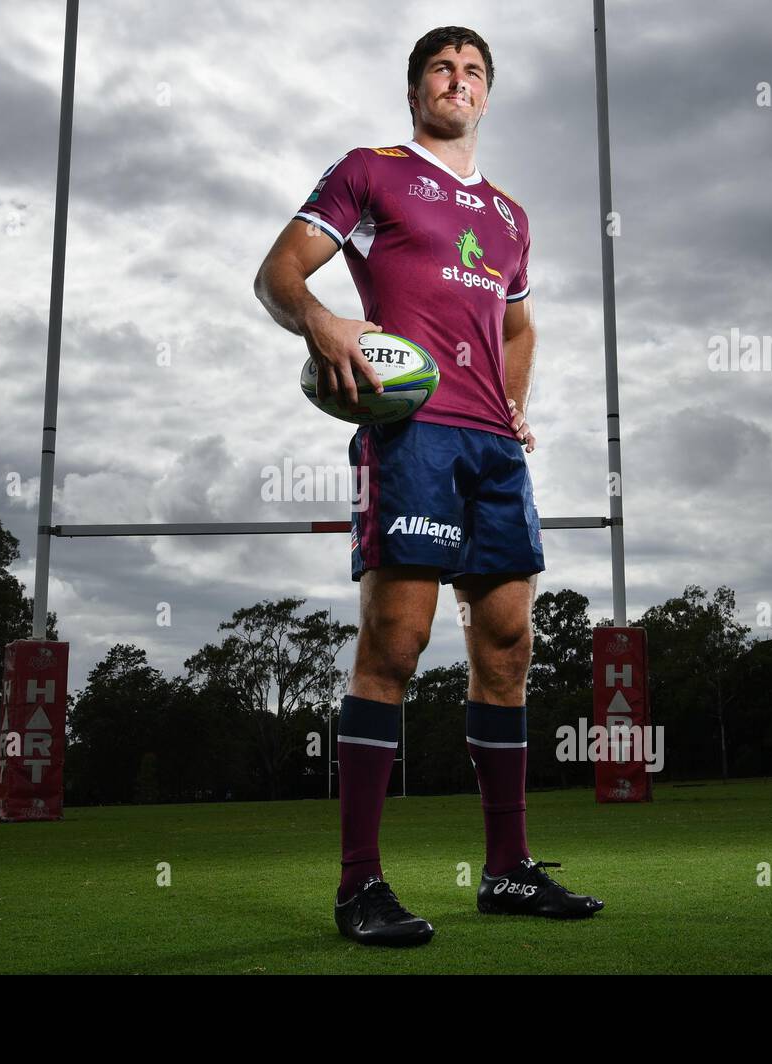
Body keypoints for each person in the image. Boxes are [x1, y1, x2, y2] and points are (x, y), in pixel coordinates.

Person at [254, 26, 604, 946]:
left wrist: (516, 404)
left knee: (508, 645)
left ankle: (508, 873)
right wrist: (324, 326)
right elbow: (278, 272)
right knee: (397, 642)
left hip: (494, 448)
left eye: (474, 71)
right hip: (412, 435)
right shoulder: (371, 171)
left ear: (488, 95)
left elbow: (520, 329)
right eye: (443, 69)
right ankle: (359, 886)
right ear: (417, 89)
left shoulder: (510, 216)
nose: (459, 82)